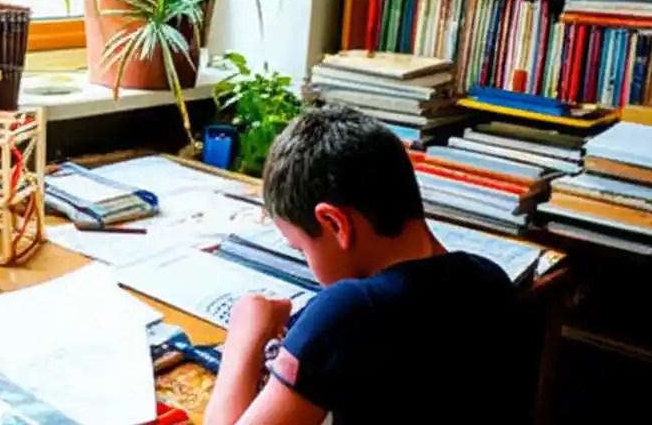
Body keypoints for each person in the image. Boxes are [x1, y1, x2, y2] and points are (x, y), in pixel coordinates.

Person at [205, 107, 520, 425]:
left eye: (302, 249)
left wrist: (243, 337)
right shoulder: (491, 278)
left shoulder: (349, 312)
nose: (307, 262)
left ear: (334, 223)